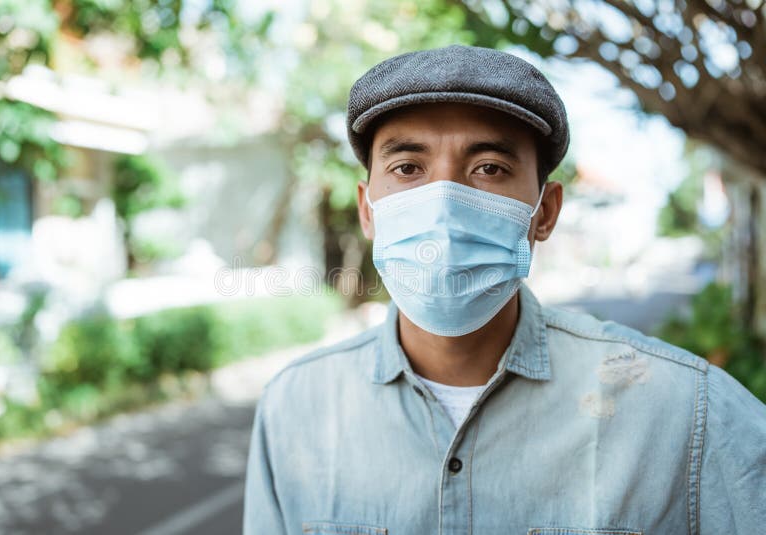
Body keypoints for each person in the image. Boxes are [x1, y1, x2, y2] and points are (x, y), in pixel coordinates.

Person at [243, 45, 766, 535]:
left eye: (489, 168)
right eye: (407, 168)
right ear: (367, 210)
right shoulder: (296, 408)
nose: (444, 204)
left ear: (545, 212)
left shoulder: (686, 414)